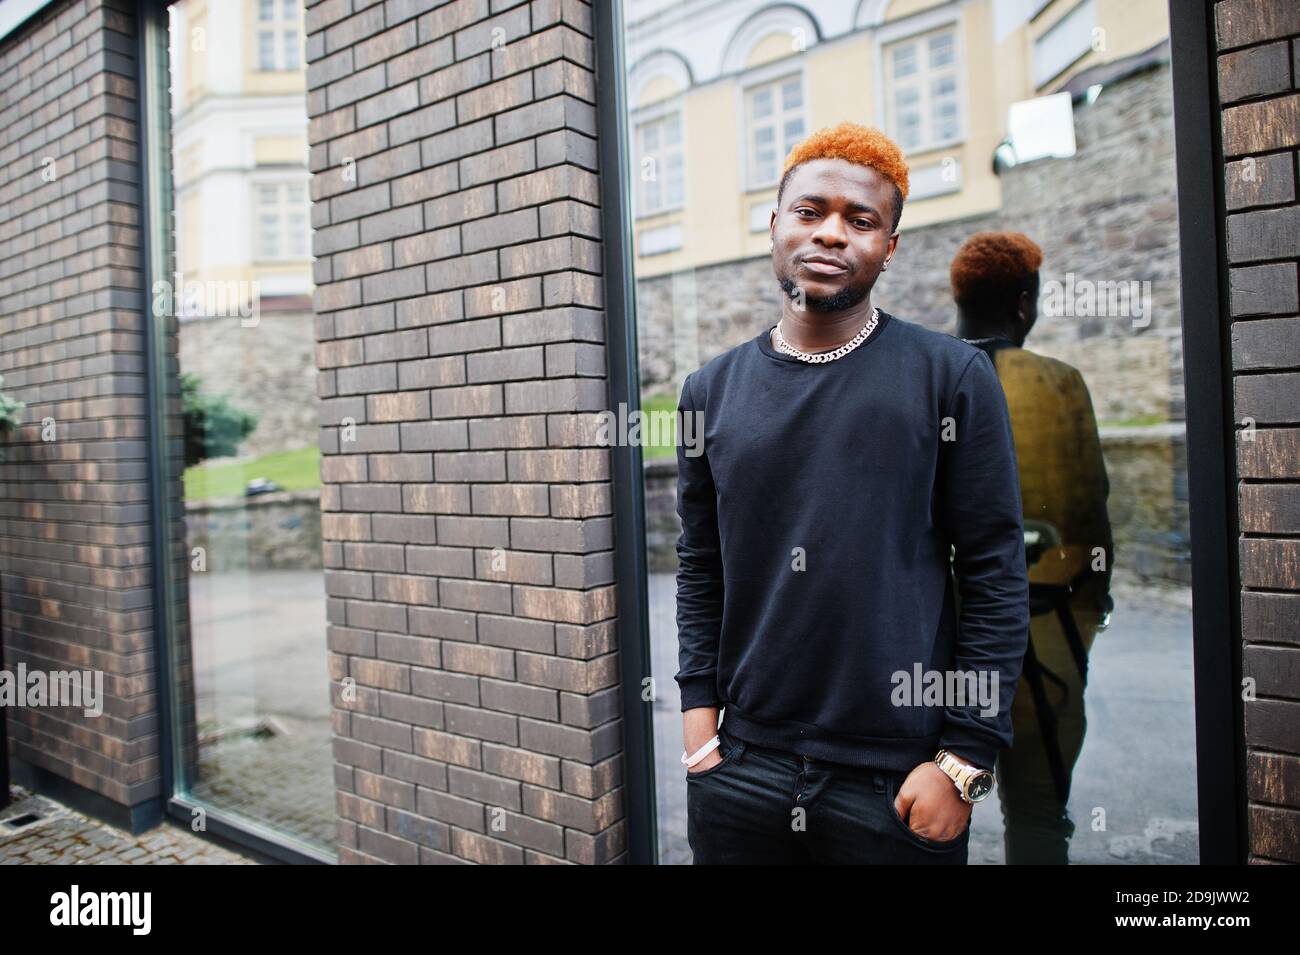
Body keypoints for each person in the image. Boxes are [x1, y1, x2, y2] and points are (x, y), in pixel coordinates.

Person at [673, 123, 1030, 864]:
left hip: (899, 773)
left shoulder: (950, 377)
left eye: (860, 220)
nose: (832, 233)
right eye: (810, 211)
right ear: (775, 225)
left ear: (889, 245)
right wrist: (699, 725)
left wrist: (965, 759)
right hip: (741, 764)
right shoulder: (709, 390)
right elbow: (700, 564)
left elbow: (996, 570)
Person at [950, 231, 1115, 864]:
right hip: (1042, 632)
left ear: (959, 298)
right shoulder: (1059, 383)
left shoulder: (924, 377)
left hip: (937, 644)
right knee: (1040, 814)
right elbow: (1087, 513)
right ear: (1023, 306)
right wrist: (1088, 613)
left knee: (924, 806)